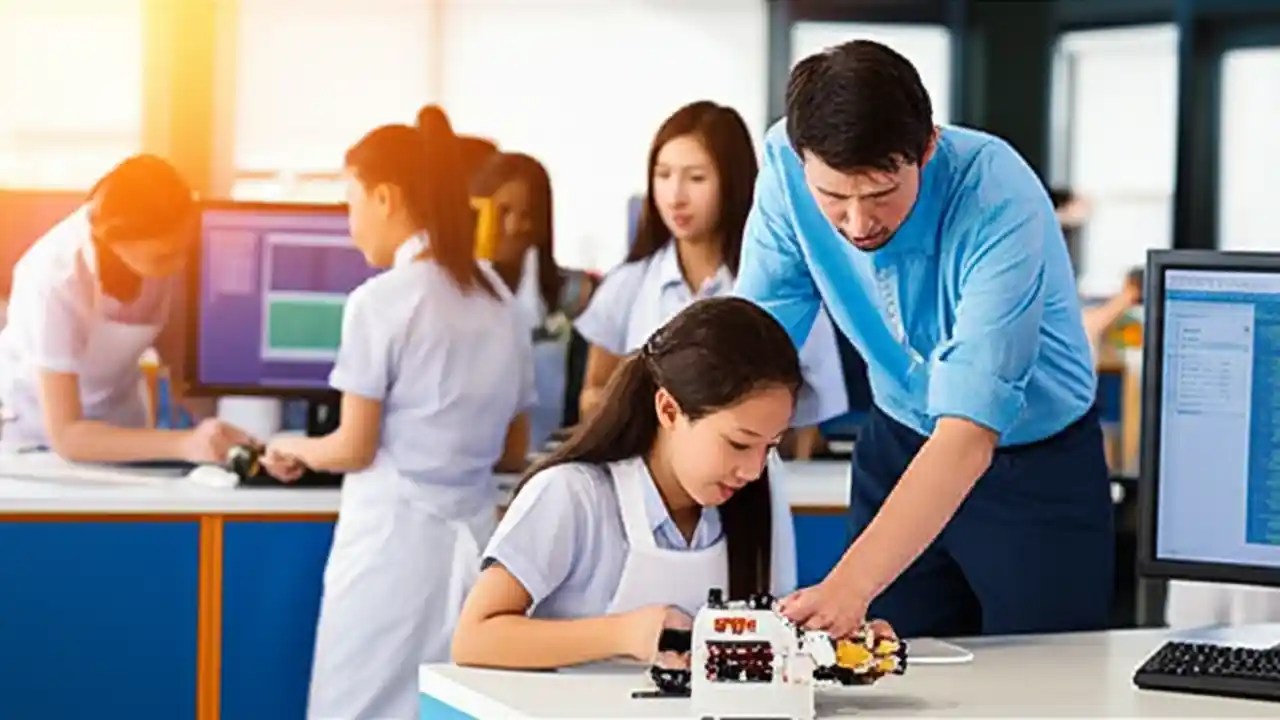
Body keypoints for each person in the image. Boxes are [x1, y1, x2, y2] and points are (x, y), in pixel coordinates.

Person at [734, 40, 1112, 640]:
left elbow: (967, 433)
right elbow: (752, 339)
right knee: (887, 673)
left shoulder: (997, 194)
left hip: (1032, 469)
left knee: (1045, 682)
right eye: (833, 197)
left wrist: (849, 585)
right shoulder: (784, 161)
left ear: (927, 148)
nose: (858, 224)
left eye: (881, 194)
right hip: (897, 440)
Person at [261, 124, 536, 720]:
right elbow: (513, 453)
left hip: (390, 551)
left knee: (355, 707)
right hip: (473, 550)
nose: (350, 222)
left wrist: (293, 447)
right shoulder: (499, 299)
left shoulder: (382, 301)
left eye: (351, 203)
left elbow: (354, 447)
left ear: (385, 197)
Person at [451, 296, 813, 669]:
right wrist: (625, 634)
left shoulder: (757, 497)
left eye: (769, 447)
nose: (753, 470)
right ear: (669, 410)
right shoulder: (573, 495)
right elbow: (474, 639)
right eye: (738, 443)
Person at [573, 100, 848, 454]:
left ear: (732, 182)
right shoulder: (627, 284)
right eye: (663, 175)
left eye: (696, 178)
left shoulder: (784, 289)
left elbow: (809, 427)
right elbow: (593, 396)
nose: (676, 196)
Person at [0, 155, 252, 462]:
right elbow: (67, 436)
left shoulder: (165, 246)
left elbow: (175, 351)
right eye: (164, 257)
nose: (179, 264)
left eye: (183, 250)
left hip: (121, 424)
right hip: (39, 437)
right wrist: (184, 444)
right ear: (115, 241)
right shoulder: (55, 277)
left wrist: (211, 427)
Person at [470, 151, 597, 330]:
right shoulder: (450, 294)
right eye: (503, 211)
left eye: (527, 214)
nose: (513, 227)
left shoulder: (575, 296)